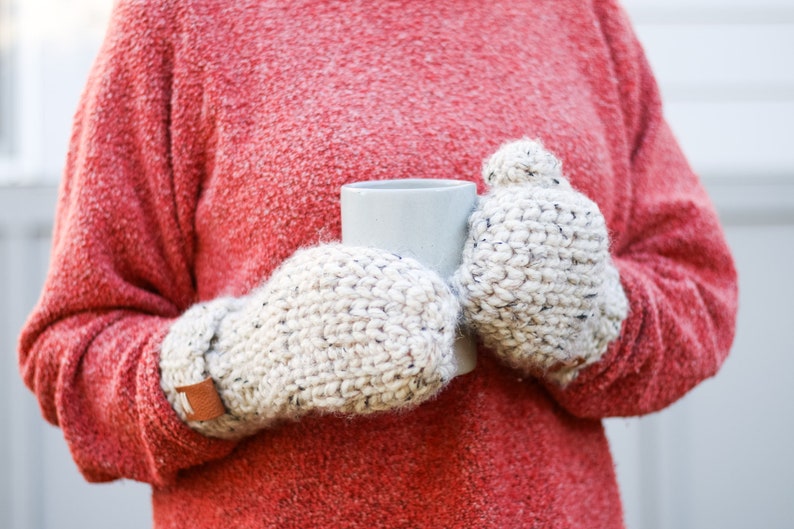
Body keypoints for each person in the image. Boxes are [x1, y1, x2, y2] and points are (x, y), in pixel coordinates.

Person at [17, 0, 738, 527]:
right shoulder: (181, 17)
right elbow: (72, 354)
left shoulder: (580, 16)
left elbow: (697, 288)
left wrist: (593, 318)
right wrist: (238, 367)